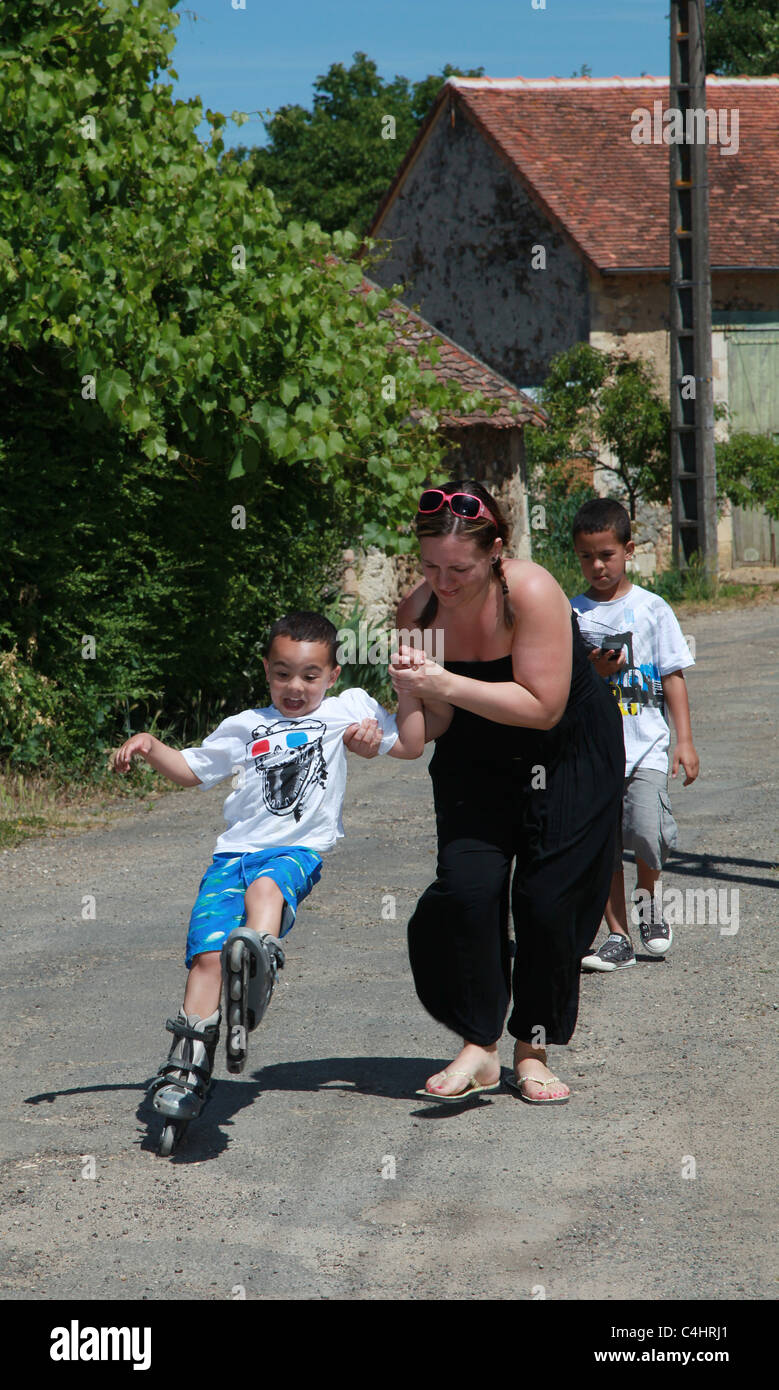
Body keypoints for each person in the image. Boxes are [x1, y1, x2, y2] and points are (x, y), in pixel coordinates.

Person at [114, 611, 424, 1128]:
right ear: (265, 671)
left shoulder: (348, 710)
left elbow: (412, 745)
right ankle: (186, 1069)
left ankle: (256, 961)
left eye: (308, 675)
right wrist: (150, 745)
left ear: (333, 675)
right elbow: (192, 771)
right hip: (229, 859)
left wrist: (408, 692)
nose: (295, 686)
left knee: (266, 887)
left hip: (292, 853)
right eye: (282, 674)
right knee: (206, 958)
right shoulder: (245, 726)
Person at [389, 481, 624, 1105]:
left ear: (496, 551)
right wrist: (405, 706)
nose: (445, 582)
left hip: (567, 753)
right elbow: (433, 726)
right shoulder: (419, 616)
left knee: (548, 902)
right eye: (431, 567)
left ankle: (533, 1048)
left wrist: (442, 682)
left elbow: (543, 707)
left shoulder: (533, 592)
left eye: (459, 568)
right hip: (475, 757)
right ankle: (479, 1044)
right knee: (466, 891)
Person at [569, 498, 699, 971]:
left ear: (628, 550)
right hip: (593, 752)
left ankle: (648, 900)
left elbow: (673, 675)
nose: (597, 566)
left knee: (647, 832)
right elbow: (560, 681)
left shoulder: (652, 608)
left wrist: (683, 740)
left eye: (606, 554)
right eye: (586, 556)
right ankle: (618, 935)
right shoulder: (571, 614)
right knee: (603, 846)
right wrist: (591, 668)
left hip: (645, 747)